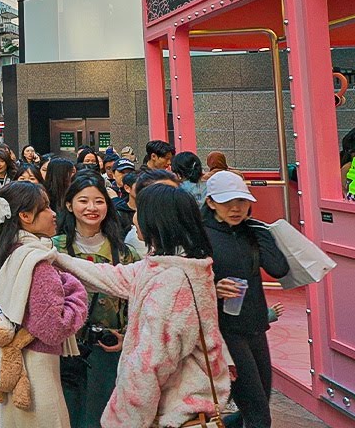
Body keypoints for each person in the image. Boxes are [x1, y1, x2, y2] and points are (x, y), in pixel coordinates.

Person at [51, 175, 232, 427]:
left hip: (175, 412)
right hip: (172, 406)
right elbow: (112, 277)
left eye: (139, 211)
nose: (133, 218)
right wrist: (55, 257)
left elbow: (149, 366)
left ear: (158, 222)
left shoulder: (173, 283)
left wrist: (122, 421)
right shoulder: (174, 266)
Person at [0, 181, 89, 428]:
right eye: (46, 208)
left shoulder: (11, 252)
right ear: (25, 216)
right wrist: (75, 294)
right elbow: (53, 328)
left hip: (15, 364)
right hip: (37, 370)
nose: (54, 214)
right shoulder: (37, 262)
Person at [52, 172, 140, 428]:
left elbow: (136, 303)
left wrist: (126, 335)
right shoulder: (53, 250)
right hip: (64, 351)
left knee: (102, 417)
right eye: (83, 201)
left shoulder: (124, 254)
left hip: (108, 351)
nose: (92, 208)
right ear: (69, 205)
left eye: (99, 201)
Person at [202, 171, 289, 428]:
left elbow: (278, 268)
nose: (236, 208)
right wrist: (213, 288)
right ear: (211, 203)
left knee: (259, 401)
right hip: (225, 332)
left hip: (255, 326)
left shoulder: (251, 231)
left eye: (242, 201)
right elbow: (187, 286)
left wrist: (261, 230)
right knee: (258, 414)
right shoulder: (201, 236)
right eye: (227, 201)